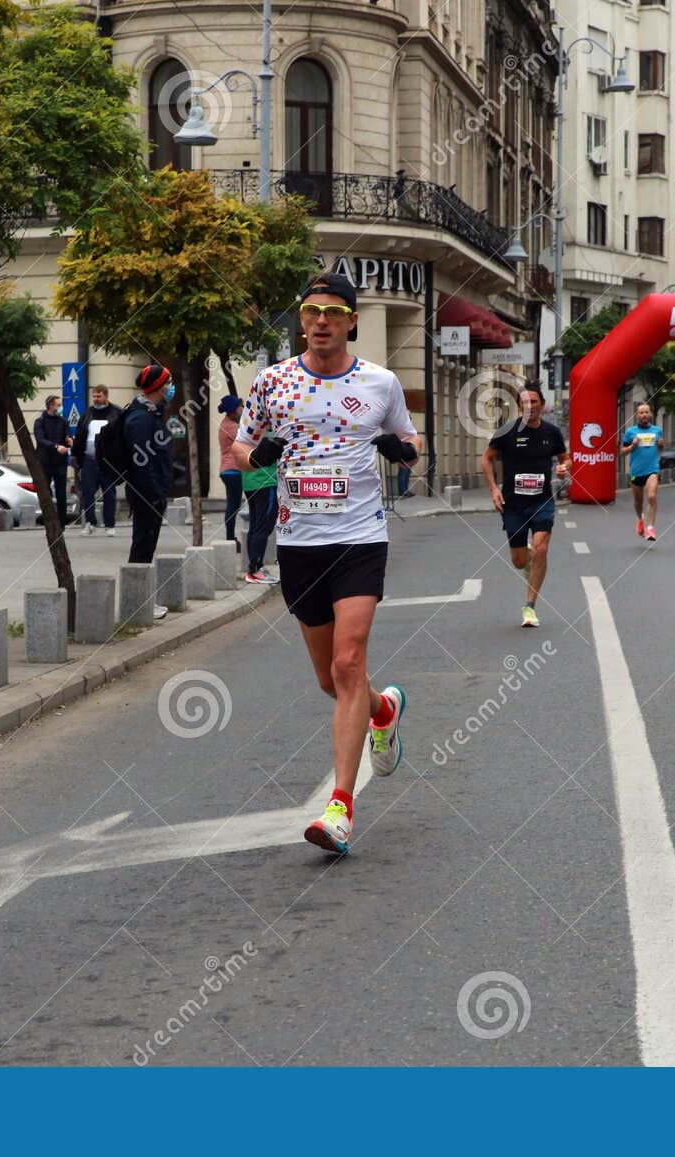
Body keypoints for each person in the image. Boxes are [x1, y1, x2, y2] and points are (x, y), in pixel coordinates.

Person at [233, 272, 420, 855]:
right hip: (299, 541)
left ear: (351, 322)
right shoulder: (272, 382)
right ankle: (383, 710)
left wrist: (401, 450)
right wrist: (257, 457)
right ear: (301, 319)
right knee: (330, 680)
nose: (321, 321)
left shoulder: (381, 383)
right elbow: (240, 448)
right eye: (312, 311)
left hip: (360, 538)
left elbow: (413, 444)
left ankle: (340, 807)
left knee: (347, 662)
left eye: (333, 313)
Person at [482, 384, 568, 626]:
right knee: (520, 561)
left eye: (534, 401)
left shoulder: (552, 433)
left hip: (542, 501)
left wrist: (563, 468)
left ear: (542, 405)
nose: (530, 406)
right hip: (513, 504)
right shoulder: (506, 432)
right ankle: (529, 557)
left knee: (541, 549)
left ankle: (529, 607)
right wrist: (494, 489)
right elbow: (486, 459)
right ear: (519, 406)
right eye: (525, 402)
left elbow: (565, 459)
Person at [121, 365, 174, 619]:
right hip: (146, 495)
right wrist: (153, 494)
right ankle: (138, 604)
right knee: (142, 548)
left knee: (146, 547)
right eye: (168, 382)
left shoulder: (150, 414)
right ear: (158, 387)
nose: (171, 387)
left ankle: (141, 601)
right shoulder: (141, 418)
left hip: (150, 493)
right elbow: (141, 463)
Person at [75, 385, 123, 536]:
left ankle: (110, 525)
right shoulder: (87, 413)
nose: (95, 399)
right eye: (94, 396)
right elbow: (80, 434)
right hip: (89, 459)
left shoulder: (116, 413)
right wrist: (77, 456)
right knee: (87, 492)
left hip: (108, 460)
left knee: (109, 492)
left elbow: (122, 435)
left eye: (98, 396)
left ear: (106, 396)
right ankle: (90, 523)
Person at [619, 402, 663, 542]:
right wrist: (632, 446)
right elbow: (622, 452)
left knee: (651, 496)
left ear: (650, 414)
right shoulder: (630, 432)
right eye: (641, 413)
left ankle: (650, 528)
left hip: (652, 469)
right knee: (638, 502)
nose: (644, 415)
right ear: (637, 415)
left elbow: (660, 449)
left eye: (646, 412)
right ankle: (640, 519)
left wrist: (661, 445)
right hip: (636, 471)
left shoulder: (657, 430)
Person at [242, 446, 280, 585]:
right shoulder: (268, 435)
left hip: (250, 481)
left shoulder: (246, 435)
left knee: (255, 526)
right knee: (264, 526)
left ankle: (254, 569)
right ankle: (256, 570)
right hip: (265, 481)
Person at [33, 394, 72, 526]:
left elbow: (68, 437)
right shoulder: (40, 422)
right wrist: (56, 446)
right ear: (51, 406)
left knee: (61, 495)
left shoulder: (63, 422)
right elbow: (41, 440)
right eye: (59, 405)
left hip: (60, 463)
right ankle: (49, 520)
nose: (61, 408)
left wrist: (69, 441)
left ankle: (62, 524)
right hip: (45, 462)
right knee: (45, 493)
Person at [217, 394, 245, 546]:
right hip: (232, 470)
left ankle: (230, 537)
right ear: (234, 411)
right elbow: (245, 439)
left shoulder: (227, 423)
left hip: (229, 470)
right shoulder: (231, 426)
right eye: (240, 408)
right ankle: (230, 538)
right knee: (233, 505)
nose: (242, 410)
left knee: (233, 504)